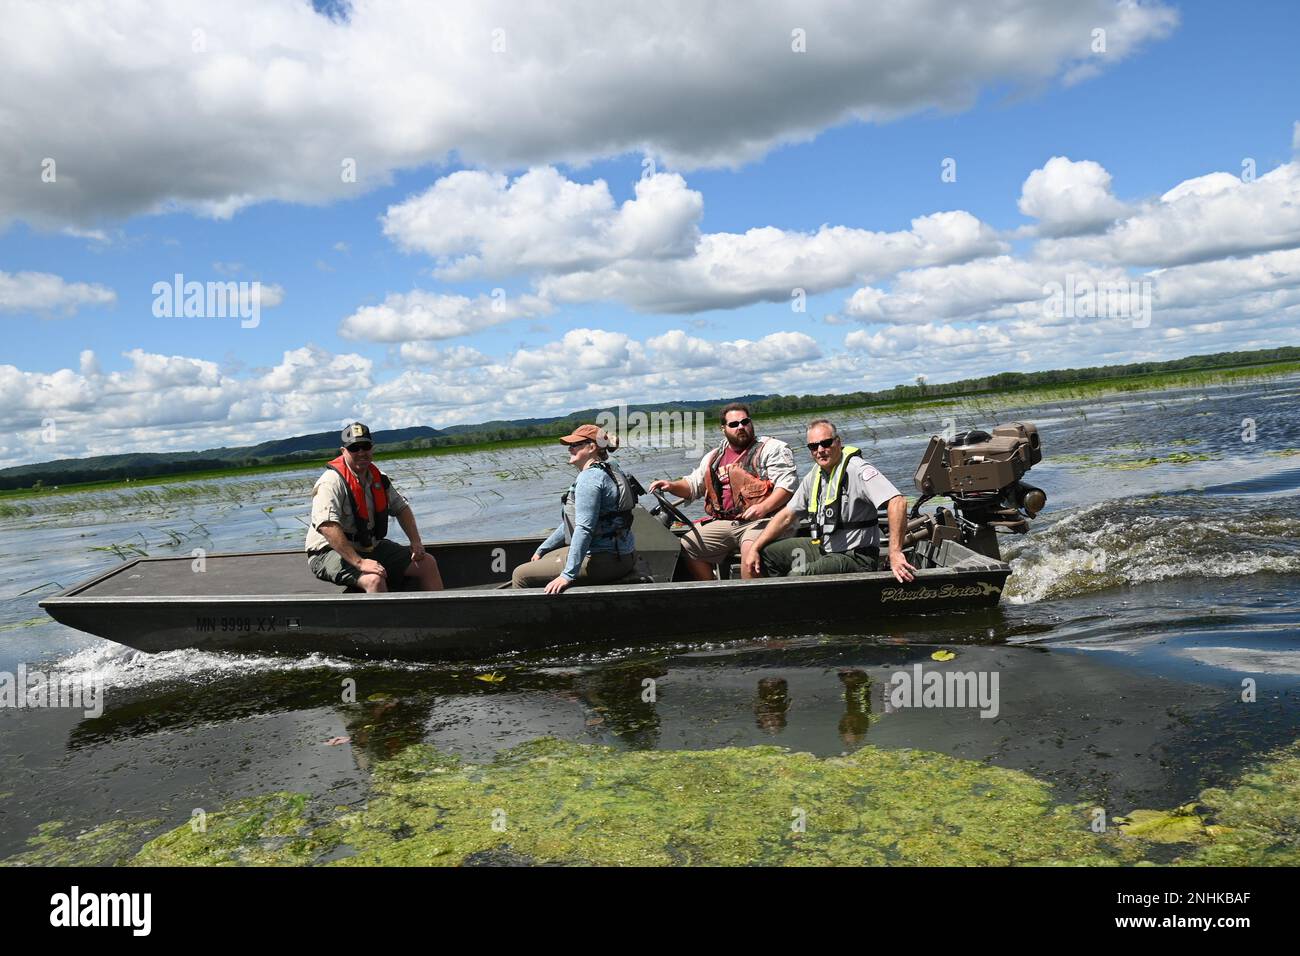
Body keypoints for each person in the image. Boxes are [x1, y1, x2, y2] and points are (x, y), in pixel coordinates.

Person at [744, 419, 917, 583]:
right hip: (824, 548)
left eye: (826, 443)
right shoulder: (815, 475)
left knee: (799, 573)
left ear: (838, 442)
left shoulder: (857, 470)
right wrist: (755, 547)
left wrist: (895, 552)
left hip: (856, 557)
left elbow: (898, 502)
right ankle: (782, 602)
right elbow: (787, 516)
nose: (820, 450)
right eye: (813, 446)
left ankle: (801, 602)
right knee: (767, 554)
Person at [648, 402, 797, 580]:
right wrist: (671, 486)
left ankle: (751, 602)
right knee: (687, 545)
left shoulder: (773, 448)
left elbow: (786, 487)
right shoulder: (714, 456)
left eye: (745, 422)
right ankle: (715, 595)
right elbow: (693, 485)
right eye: (734, 424)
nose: (740, 427)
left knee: (750, 550)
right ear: (723, 428)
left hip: (766, 519)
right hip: (728, 522)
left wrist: (763, 508)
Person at [305, 422, 443, 593]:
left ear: (372, 448)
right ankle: (387, 619)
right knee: (374, 579)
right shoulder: (330, 482)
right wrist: (360, 562)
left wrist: (416, 541)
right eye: (354, 448)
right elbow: (327, 526)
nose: (361, 452)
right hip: (327, 551)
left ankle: (439, 616)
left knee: (426, 563)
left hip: (367, 546)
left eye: (366, 446)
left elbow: (401, 508)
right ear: (343, 451)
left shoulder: (379, 478)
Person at [511, 424, 638, 594]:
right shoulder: (611, 467)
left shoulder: (589, 478)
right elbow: (573, 522)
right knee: (546, 557)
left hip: (604, 561)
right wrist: (543, 548)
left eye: (574, 445)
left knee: (520, 574)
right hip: (625, 556)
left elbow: (584, 528)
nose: (569, 449)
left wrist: (567, 575)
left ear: (592, 447)